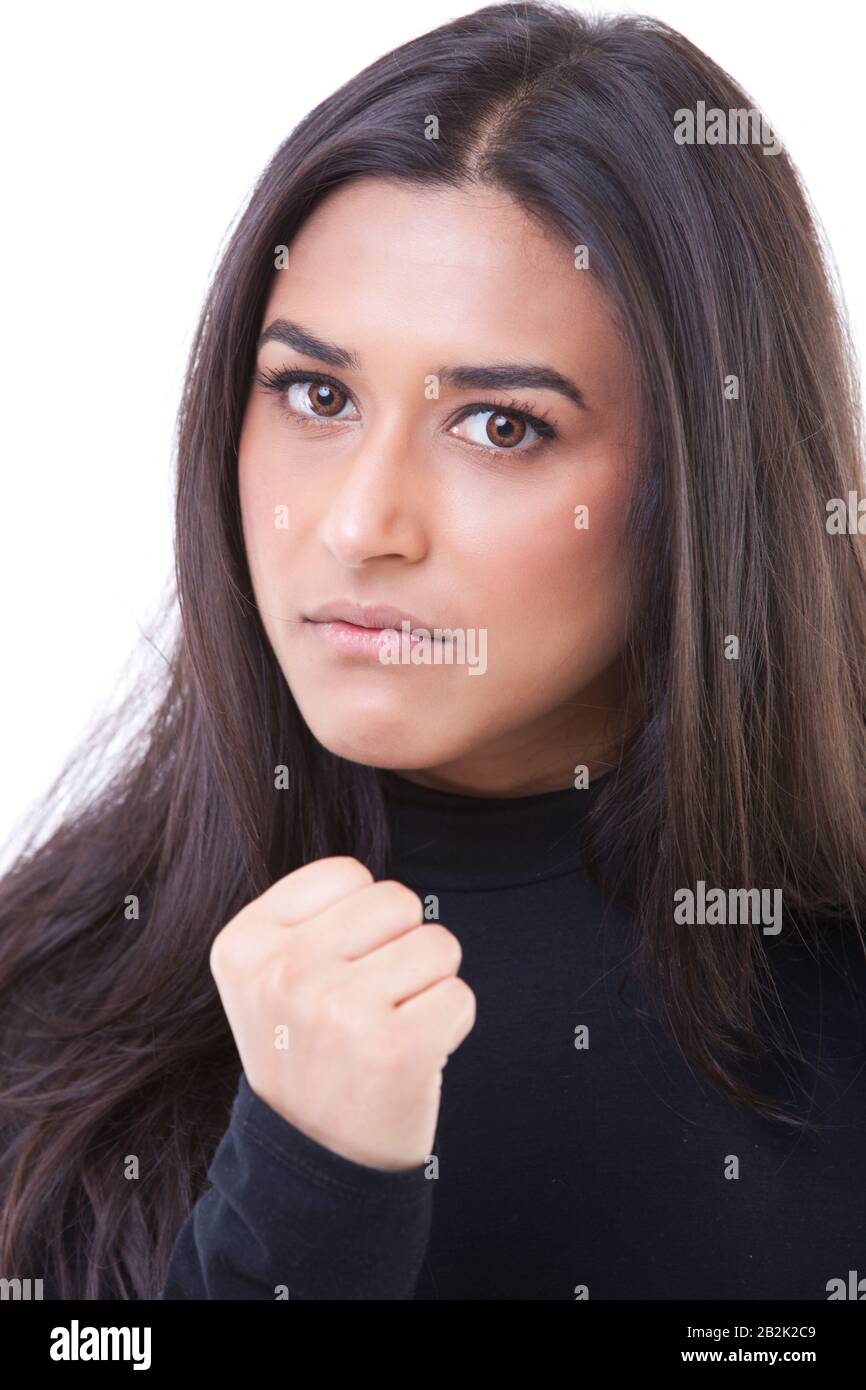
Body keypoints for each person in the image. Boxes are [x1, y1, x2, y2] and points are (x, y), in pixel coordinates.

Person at [1, 1, 864, 1301]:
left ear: (706, 482)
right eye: (316, 393)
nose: (359, 524)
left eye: (501, 426)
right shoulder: (48, 1004)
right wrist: (310, 1182)